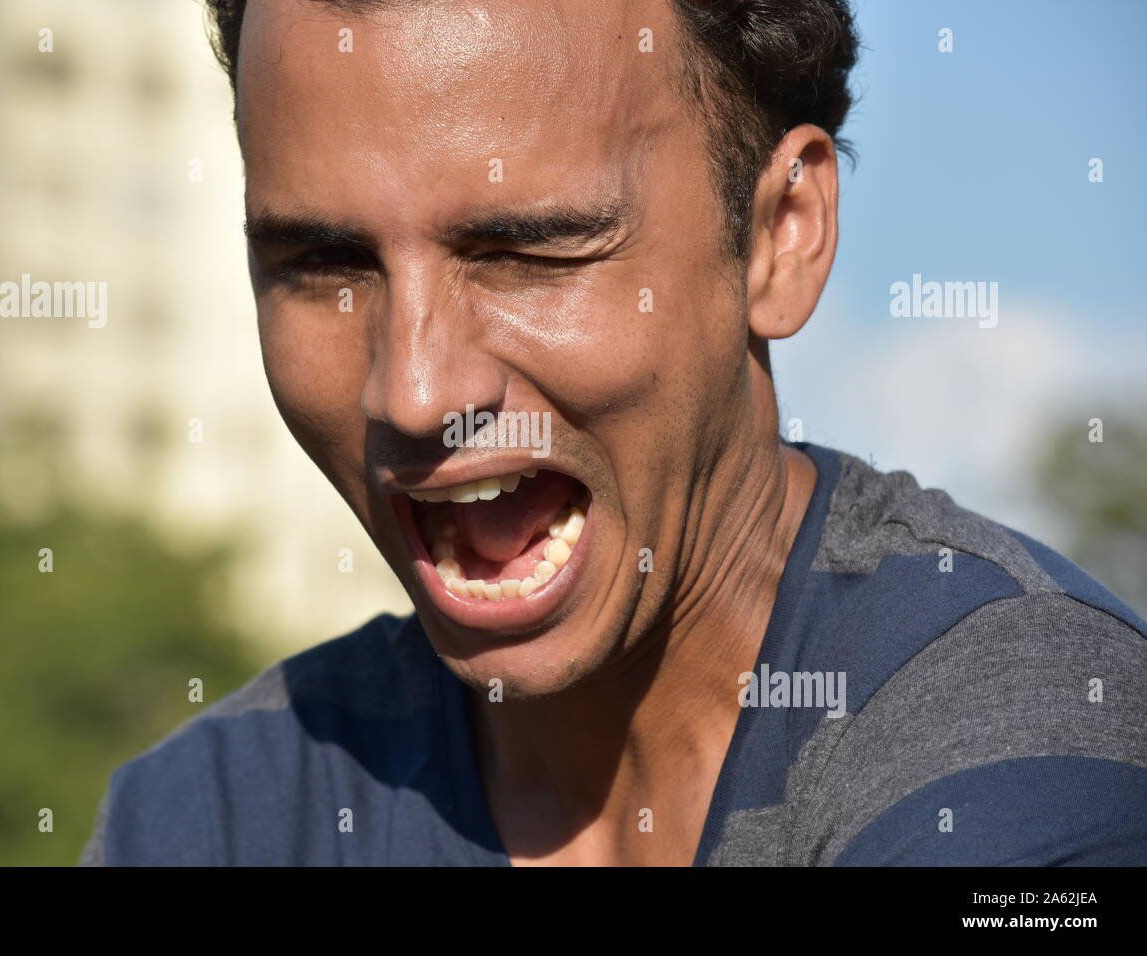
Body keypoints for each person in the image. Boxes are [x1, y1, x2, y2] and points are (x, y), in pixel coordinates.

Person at [81, 0, 1147, 865]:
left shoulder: (1017, 755)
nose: (410, 391)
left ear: (780, 236)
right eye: (325, 265)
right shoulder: (214, 808)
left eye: (525, 252)